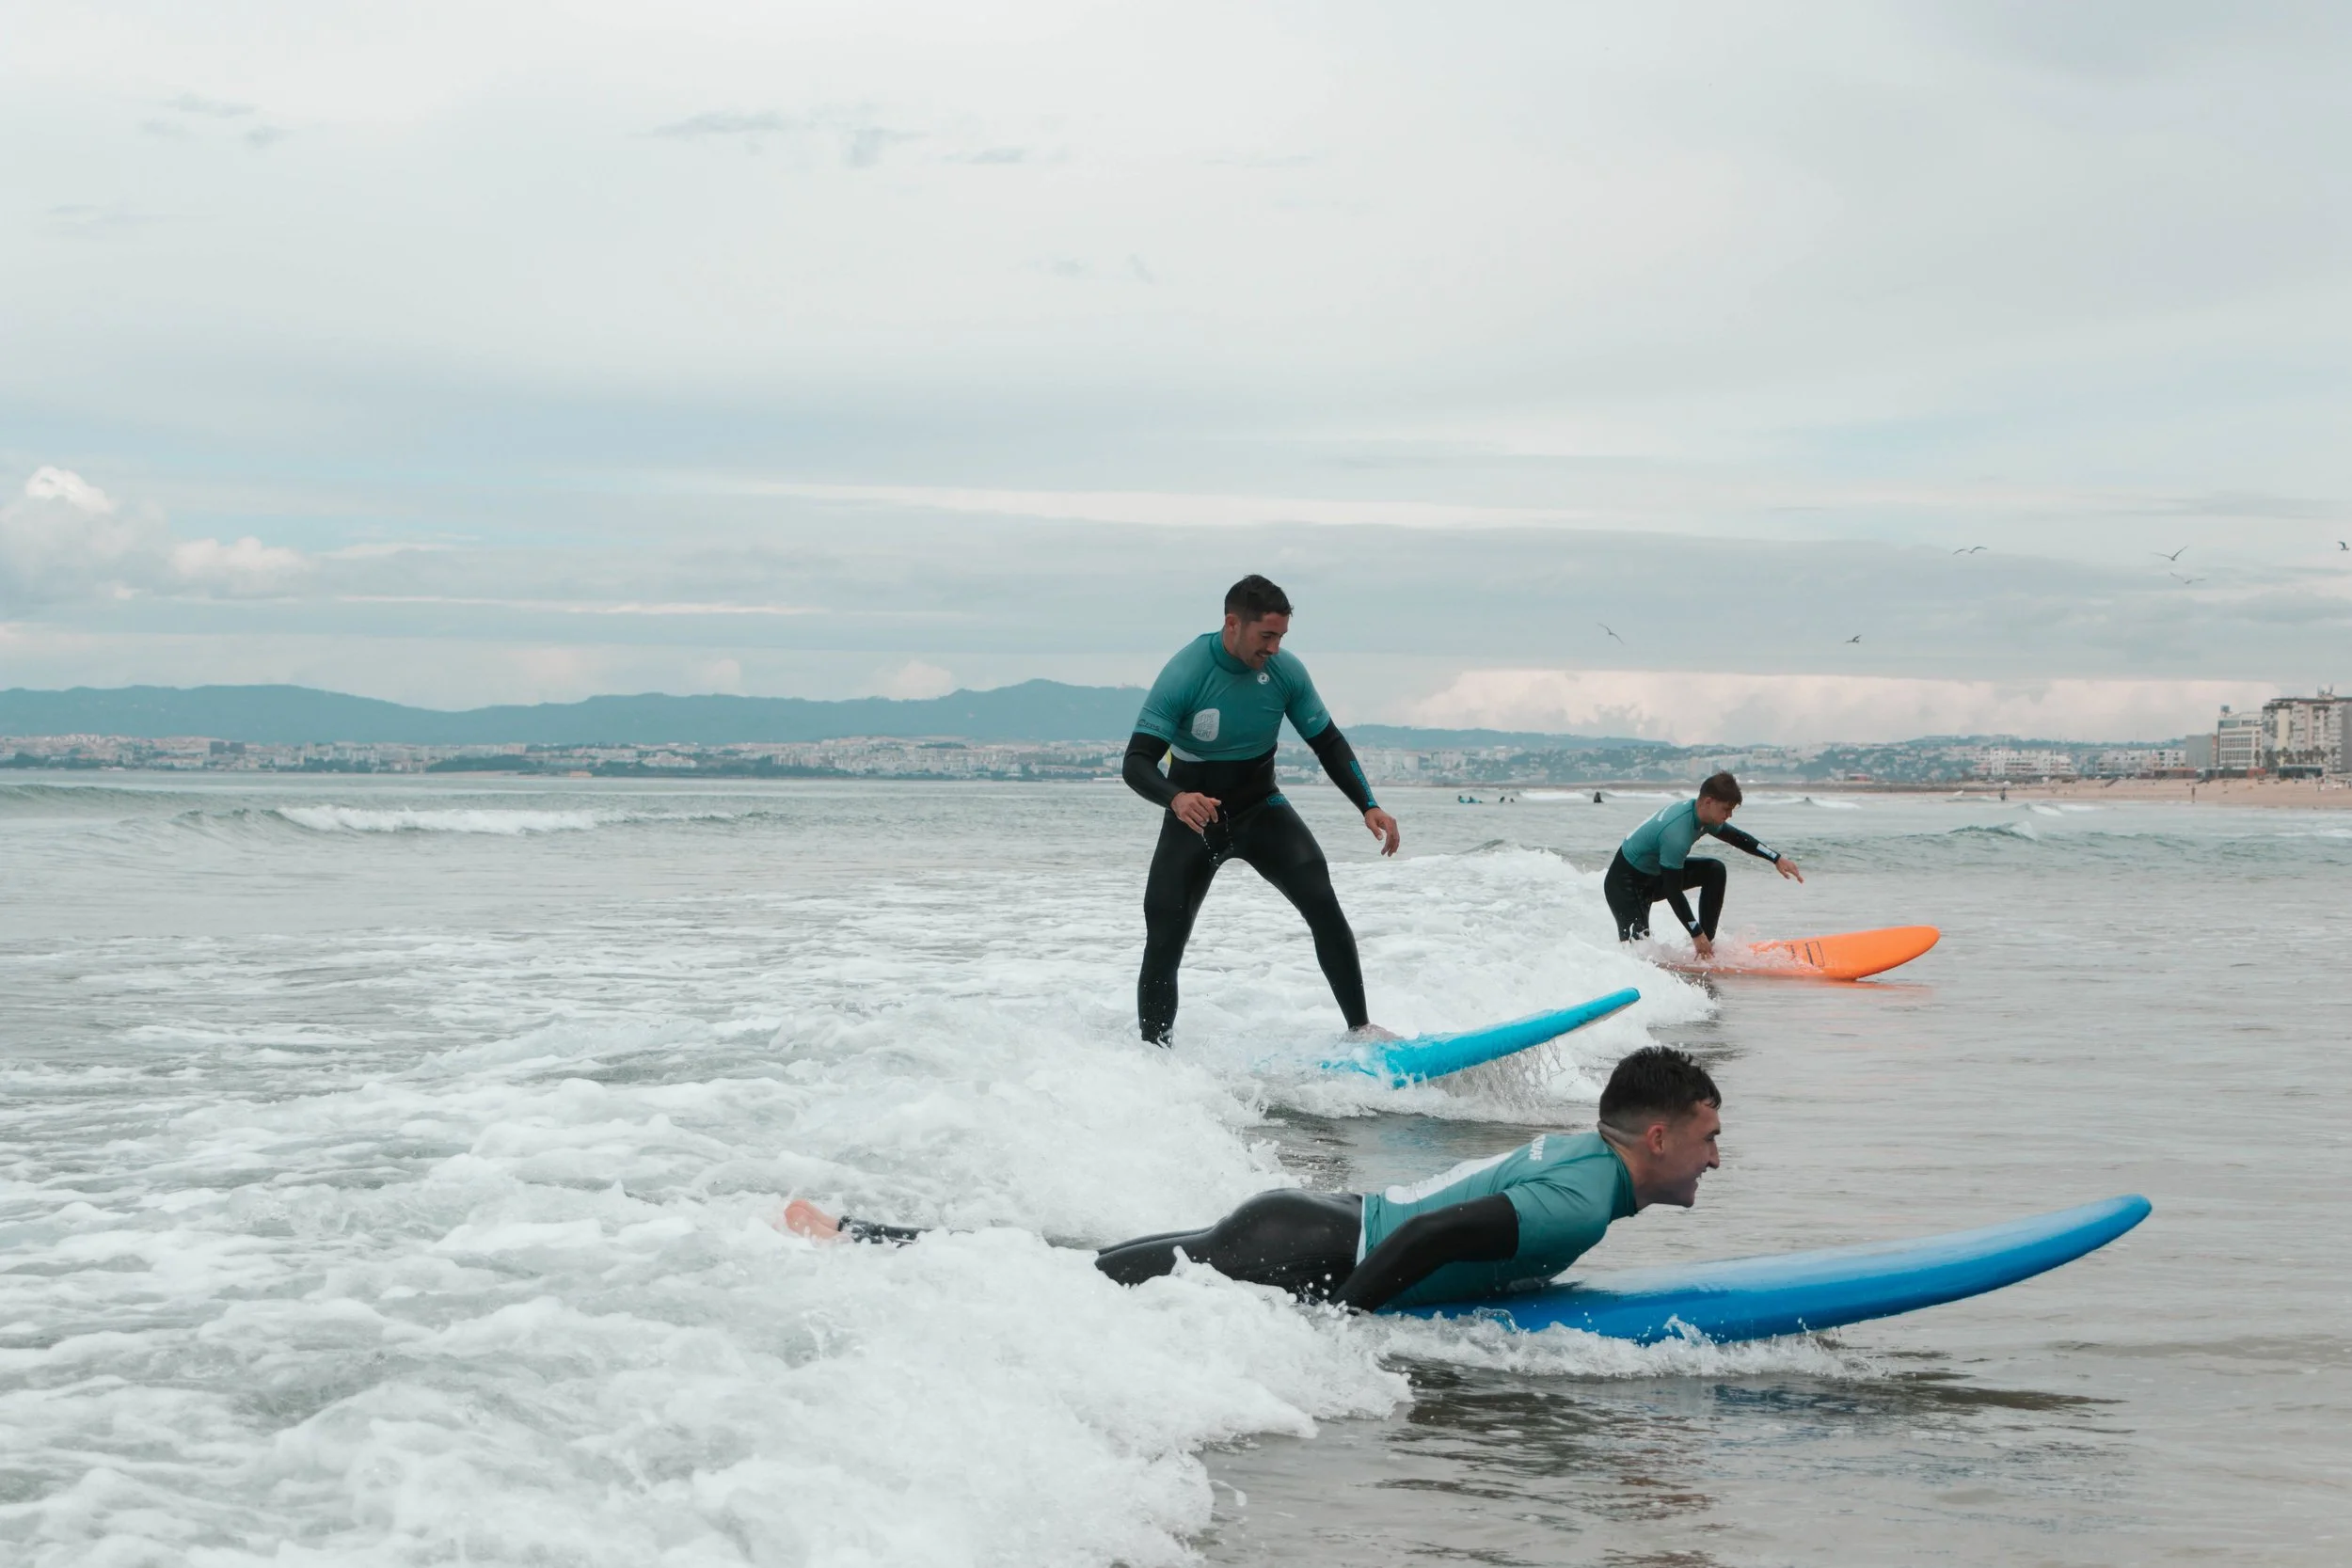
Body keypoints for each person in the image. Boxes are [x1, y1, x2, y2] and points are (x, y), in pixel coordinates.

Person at [779, 1046, 1723, 1314]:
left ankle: (861, 1234)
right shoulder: (1581, 1199)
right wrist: (1341, 1327)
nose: (1715, 1156)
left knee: (1095, 1271)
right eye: (1706, 1136)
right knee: (1077, 1287)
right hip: (1308, 1245)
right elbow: (1435, 1236)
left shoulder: (1587, 1157)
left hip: (1309, 1223)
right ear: (1653, 1133)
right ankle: (856, 1240)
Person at [1121, 575, 1401, 1044]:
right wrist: (1176, 797)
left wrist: (1367, 805)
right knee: (1165, 935)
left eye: (1281, 637)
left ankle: (1361, 1030)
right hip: (1197, 816)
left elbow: (1327, 742)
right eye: (1265, 636)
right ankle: (1156, 1058)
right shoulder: (1185, 674)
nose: (1273, 647)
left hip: (1261, 807)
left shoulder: (1286, 673)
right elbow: (1136, 761)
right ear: (1233, 624)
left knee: (1322, 902)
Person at [1605, 771, 1802, 958]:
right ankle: (1701, 944)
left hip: (1653, 876)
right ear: (1709, 802)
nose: (1729, 815)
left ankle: (1707, 948)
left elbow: (1737, 838)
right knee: (1639, 951)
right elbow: (1673, 891)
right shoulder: (1677, 835)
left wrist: (1776, 858)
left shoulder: (1702, 816)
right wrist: (1695, 933)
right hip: (1625, 885)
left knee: (1714, 870)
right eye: (1726, 809)